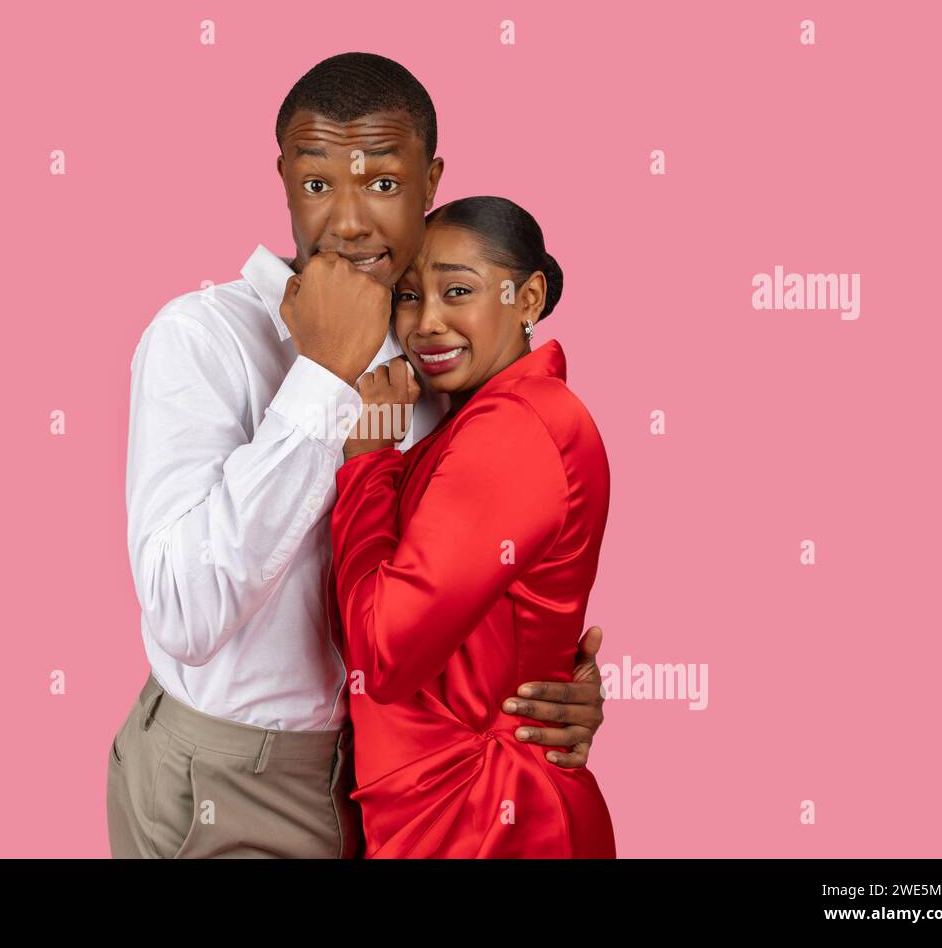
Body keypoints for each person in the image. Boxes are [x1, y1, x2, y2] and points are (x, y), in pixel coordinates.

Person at [108, 53, 608, 859]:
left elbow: (460, 584)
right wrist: (322, 377)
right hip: (235, 781)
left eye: (380, 184)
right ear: (282, 179)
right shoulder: (198, 340)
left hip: (401, 787)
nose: (346, 222)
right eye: (316, 186)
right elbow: (184, 614)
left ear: (432, 178)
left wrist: (550, 691)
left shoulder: (442, 353)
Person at [327, 196, 615, 857]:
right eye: (406, 296)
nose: (426, 323)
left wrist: (369, 459)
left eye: (458, 290)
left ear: (529, 297)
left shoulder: (514, 426)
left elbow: (387, 654)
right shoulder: (485, 417)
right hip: (451, 812)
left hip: (494, 820)